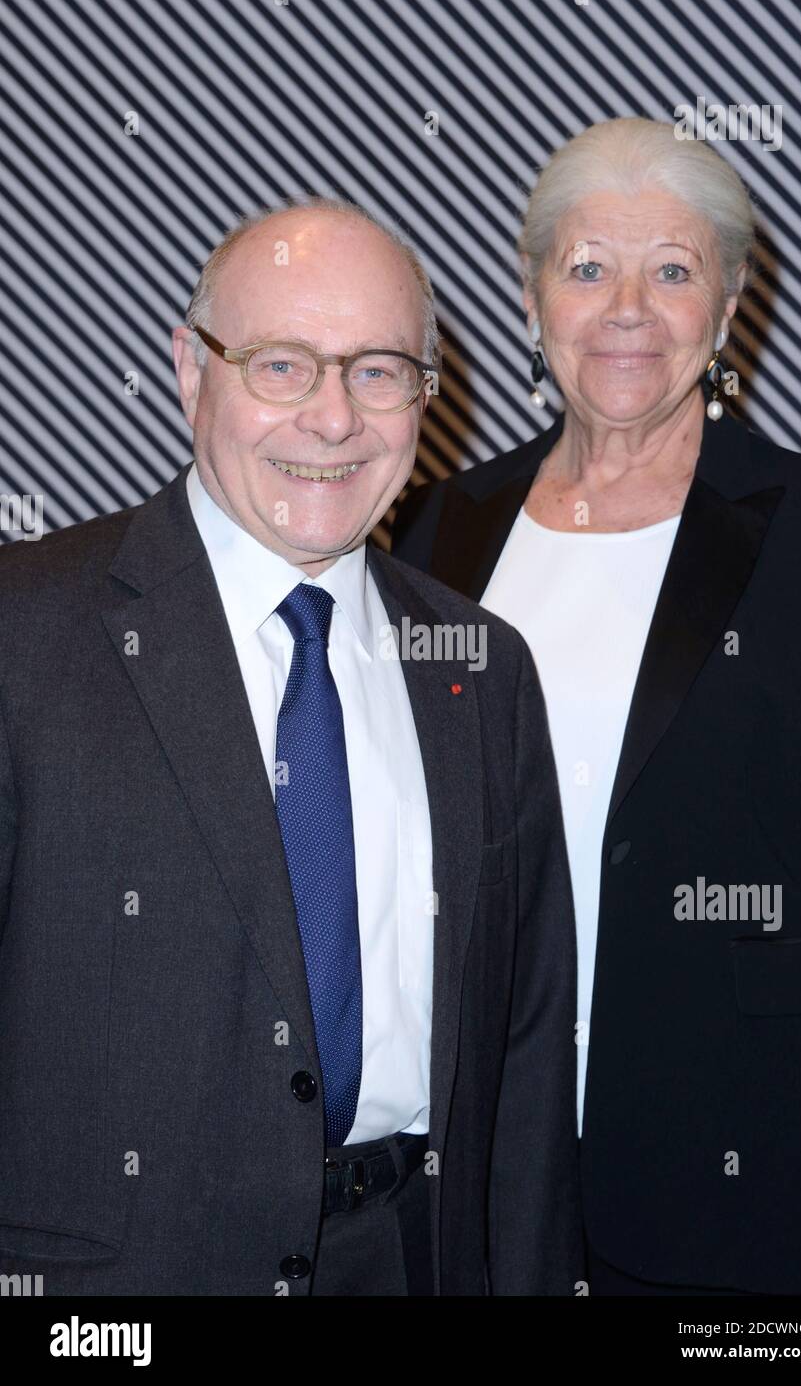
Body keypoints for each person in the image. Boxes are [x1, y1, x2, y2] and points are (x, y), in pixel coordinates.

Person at [0, 198, 580, 1296]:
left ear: (425, 393)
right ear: (188, 368)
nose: (332, 420)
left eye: (376, 370)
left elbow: (526, 1051)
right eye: (281, 365)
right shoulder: (22, 634)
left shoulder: (479, 670)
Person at [392, 117, 801, 1296]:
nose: (625, 309)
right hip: (479, 1148)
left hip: (745, 1161)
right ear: (531, 297)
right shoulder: (439, 526)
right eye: (587, 266)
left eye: (672, 268)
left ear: (726, 305)